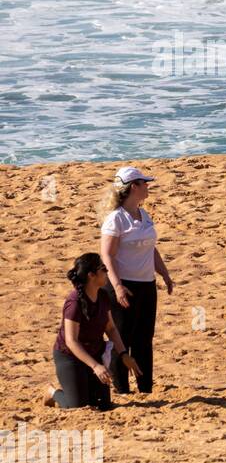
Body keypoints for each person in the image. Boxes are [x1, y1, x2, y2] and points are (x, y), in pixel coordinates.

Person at [99, 166, 174, 395]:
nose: (148, 186)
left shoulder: (144, 215)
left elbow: (151, 248)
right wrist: (118, 286)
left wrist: (164, 273)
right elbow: (107, 255)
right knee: (121, 339)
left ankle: (145, 388)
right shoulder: (116, 219)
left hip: (146, 285)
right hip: (124, 286)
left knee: (144, 339)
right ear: (134, 187)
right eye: (144, 183)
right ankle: (121, 390)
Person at [46, 253, 141, 410]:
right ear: (91, 275)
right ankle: (53, 392)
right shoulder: (74, 302)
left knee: (103, 405)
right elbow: (71, 341)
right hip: (70, 357)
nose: (107, 272)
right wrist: (95, 366)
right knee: (78, 406)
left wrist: (124, 354)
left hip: (95, 353)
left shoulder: (103, 296)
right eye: (103, 268)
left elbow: (110, 328)